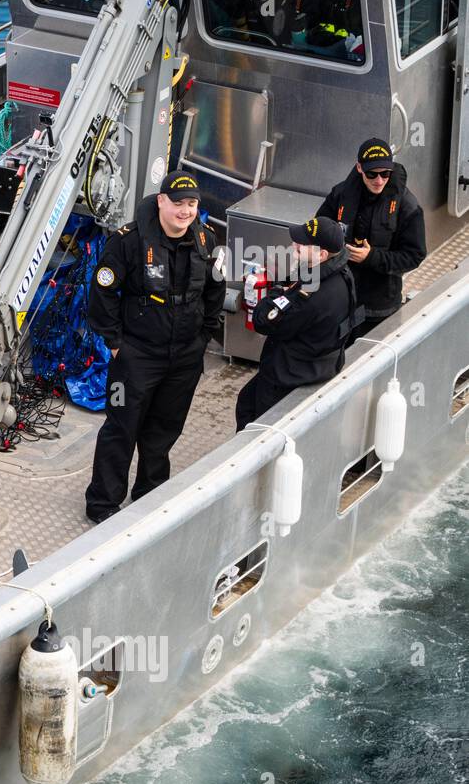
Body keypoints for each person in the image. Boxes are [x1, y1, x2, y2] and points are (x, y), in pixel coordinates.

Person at [84, 172, 225, 524]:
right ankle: (103, 503)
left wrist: (204, 338)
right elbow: (102, 293)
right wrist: (116, 346)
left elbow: (215, 293)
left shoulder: (208, 241)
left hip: (184, 357)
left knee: (164, 429)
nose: (186, 211)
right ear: (161, 201)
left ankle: (151, 493)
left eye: (192, 204)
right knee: (120, 428)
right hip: (136, 356)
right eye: (178, 204)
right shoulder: (128, 242)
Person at [236, 218, 361, 429]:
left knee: (255, 425)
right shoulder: (342, 273)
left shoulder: (310, 296)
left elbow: (265, 321)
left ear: (321, 254)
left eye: (302, 245)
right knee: (247, 399)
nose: (295, 245)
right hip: (320, 365)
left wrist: (275, 290)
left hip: (288, 377)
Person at [316, 138, 426, 336]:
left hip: (379, 307)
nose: (379, 180)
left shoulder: (408, 206)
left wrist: (371, 257)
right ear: (359, 168)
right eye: (372, 174)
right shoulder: (341, 194)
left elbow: (414, 256)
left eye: (385, 174)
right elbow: (318, 230)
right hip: (340, 299)